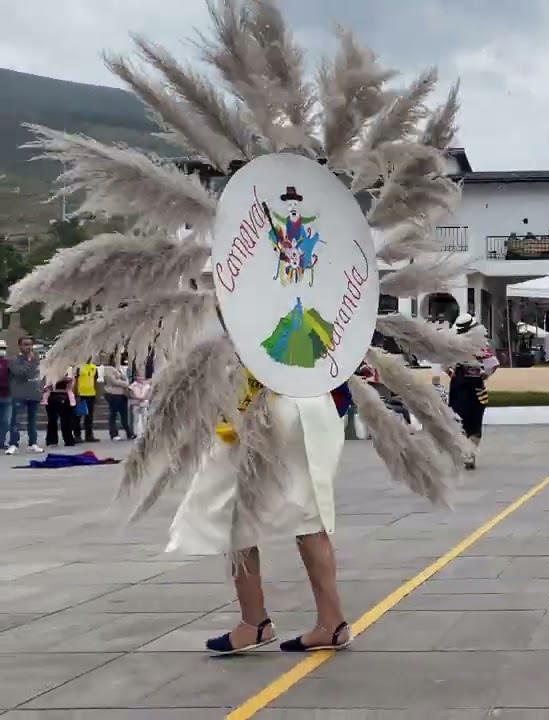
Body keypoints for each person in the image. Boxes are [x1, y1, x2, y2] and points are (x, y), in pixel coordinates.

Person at [6, 7, 483, 657]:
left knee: (301, 514)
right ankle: (254, 619)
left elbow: (316, 320)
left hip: (293, 399)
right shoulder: (253, 256)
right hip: (252, 400)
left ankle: (329, 619)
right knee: (233, 510)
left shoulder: (308, 272)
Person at [447, 313, 499, 470]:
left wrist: (451, 372)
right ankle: (469, 454)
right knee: (469, 423)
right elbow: (493, 364)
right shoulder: (460, 346)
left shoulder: (463, 346)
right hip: (469, 387)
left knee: (464, 422)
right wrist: (485, 374)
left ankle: (468, 454)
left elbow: (444, 364)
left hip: (465, 387)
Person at [7, 336, 43, 455]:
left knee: (32, 421)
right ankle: (13, 444)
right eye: (25, 344)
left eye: (30, 344)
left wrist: (41, 390)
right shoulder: (14, 360)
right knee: (16, 421)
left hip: (34, 394)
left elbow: (39, 375)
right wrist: (29, 362)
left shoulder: (36, 360)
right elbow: (20, 373)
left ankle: (33, 443)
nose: (28, 347)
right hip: (19, 394)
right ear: (20, 346)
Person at [102, 356, 135, 441]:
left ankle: (129, 433)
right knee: (113, 414)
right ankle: (113, 433)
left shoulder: (118, 369)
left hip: (122, 394)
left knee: (124, 414)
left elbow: (124, 378)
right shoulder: (108, 369)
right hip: (113, 394)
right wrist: (125, 383)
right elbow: (113, 381)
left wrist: (125, 381)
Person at [42, 371, 77, 448]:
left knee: (66, 420)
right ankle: (52, 440)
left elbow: (72, 386)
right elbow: (47, 385)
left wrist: (67, 380)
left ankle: (68, 439)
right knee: (52, 420)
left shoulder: (70, 370)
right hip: (52, 396)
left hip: (66, 397)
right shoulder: (50, 370)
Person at [74, 357, 101, 442]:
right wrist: (75, 392)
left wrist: (97, 393)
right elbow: (76, 380)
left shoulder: (94, 367)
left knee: (89, 417)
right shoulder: (79, 367)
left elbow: (95, 381)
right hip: (81, 394)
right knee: (78, 416)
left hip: (91, 394)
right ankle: (77, 436)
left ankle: (89, 436)